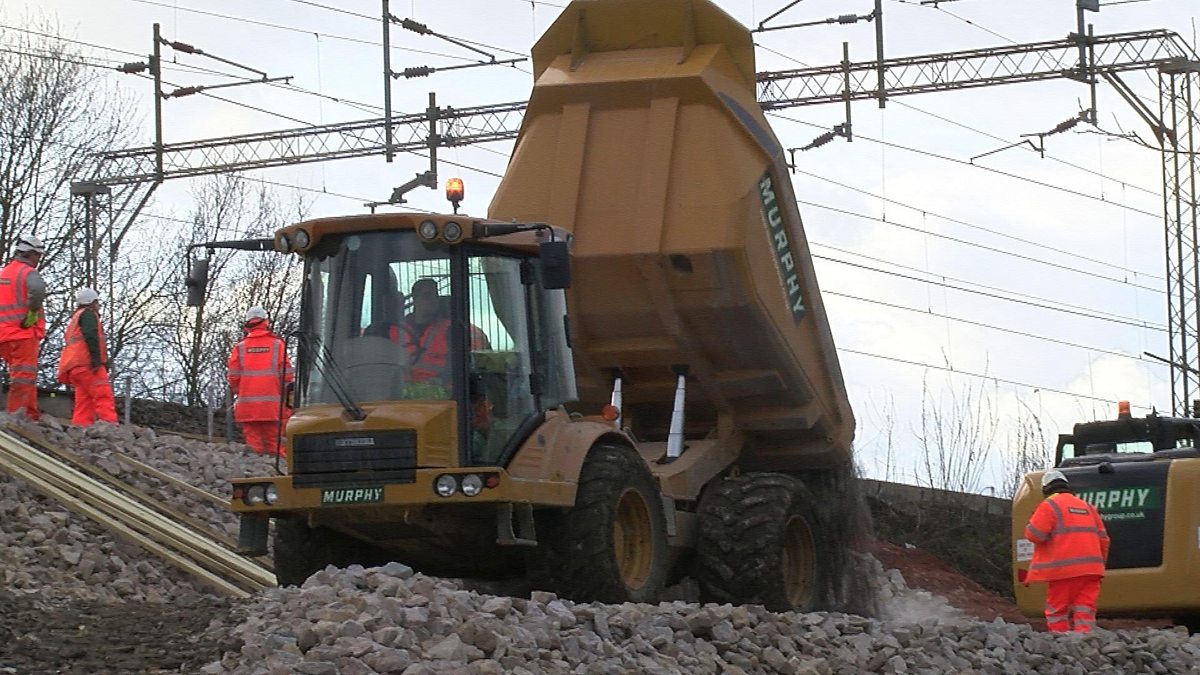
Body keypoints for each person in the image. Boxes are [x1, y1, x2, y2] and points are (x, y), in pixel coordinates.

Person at [1023, 469, 1110, 633]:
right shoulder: (1088, 507)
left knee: (1057, 610)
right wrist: (1098, 565)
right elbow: (1104, 540)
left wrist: (1032, 520)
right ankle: (1084, 641)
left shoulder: (1049, 505)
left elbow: (1034, 535)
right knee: (1085, 609)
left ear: (1046, 489)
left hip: (1062, 572)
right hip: (1091, 572)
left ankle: (1060, 642)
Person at [227, 306, 293, 457]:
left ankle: (257, 475)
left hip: (248, 407)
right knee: (275, 447)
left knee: (253, 448)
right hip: (273, 407)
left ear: (248, 323)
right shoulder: (278, 345)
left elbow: (233, 377)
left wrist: (241, 392)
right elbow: (288, 377)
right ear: (266, 321)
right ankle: (277, 475)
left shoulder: (240, 347)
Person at [403, 278, 489, 388]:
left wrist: (441, 380)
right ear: (415, 299)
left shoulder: (453, 330)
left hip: (444, 397)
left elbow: (462, 367)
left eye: (435, 295)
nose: (433, 300)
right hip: (399, 398)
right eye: (427, 295)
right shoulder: (397, 330)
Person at [0, 234, 46, 420]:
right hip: (23, 333)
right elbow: (37, 290)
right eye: (38, 256)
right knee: (24, 377)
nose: (38, 260)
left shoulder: (4, 273)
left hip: (4, 334)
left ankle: (30, 414)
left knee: (24, 376)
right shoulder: (28, 273)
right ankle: (18, 415)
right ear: (30, 254)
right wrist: (32, 312)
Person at [56, 288, 118, 426]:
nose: (98, 305)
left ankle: (80, 428)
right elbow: (91, 334)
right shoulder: (88, 315)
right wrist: (97, 359)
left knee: (84, 401)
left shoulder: (75, 317)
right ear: (91, 302)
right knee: (103, 395)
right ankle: (110, 427)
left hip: (75, 367)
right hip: (88, 364)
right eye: (97, 302)